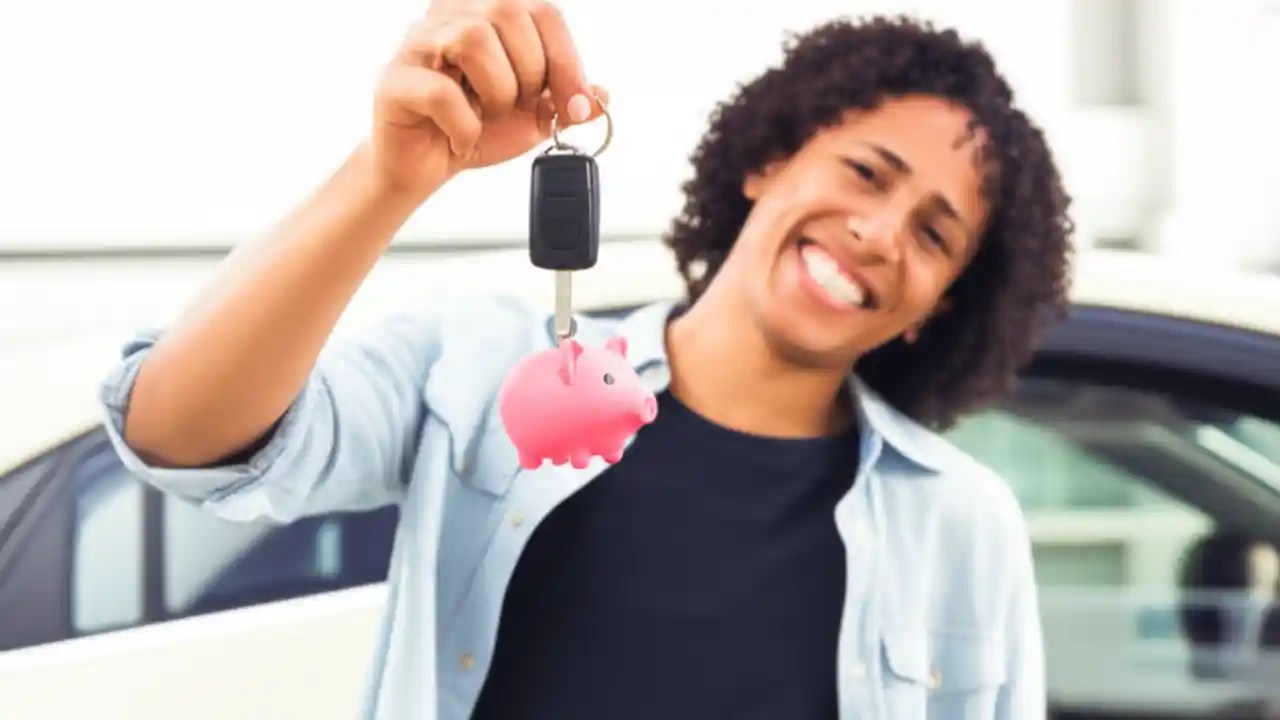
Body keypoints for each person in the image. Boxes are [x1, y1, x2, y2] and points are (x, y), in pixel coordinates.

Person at [98, 2, 1072, 719]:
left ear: (936, 308)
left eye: (933, 236)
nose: (876, 231)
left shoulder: (960, 521)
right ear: (767, 159)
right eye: (865, 172)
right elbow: (178, 436)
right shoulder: (479, 369)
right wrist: (388, 177)